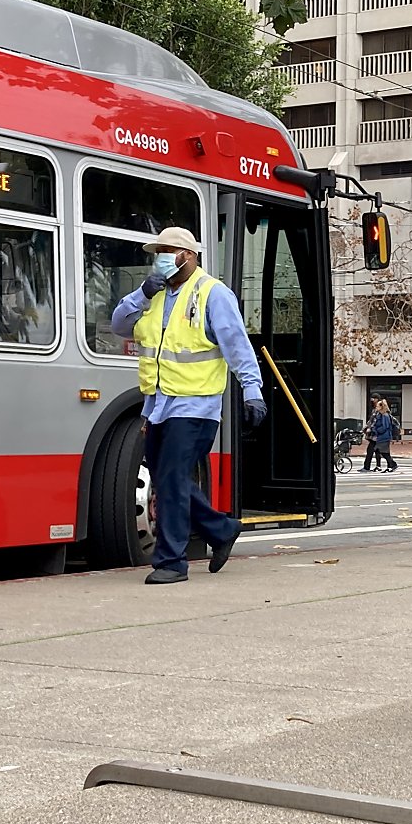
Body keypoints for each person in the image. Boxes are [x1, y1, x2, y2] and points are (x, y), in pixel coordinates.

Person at [111, 225, 265, 584]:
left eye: (167, 251)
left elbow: (237, 345)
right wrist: (141, 293)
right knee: (169, 481)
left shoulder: (213, 294)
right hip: (157, 405)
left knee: (170, 478)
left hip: (197, 405)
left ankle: (172, 562)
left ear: (189, 256)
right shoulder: (154, 295)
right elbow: (118, 325)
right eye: (157, 252)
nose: (160, 258)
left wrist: (252, 390)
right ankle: (221, 528)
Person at [365, 398, 400, 473]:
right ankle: (390, 465)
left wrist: (375, 430)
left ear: (381, 407)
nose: (376, 408)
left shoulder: (385, 416)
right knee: (380, 451)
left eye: (378, 406)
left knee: (384, 452)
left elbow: (385, 427)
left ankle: (393, 465)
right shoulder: (380, 415)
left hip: (384, 436)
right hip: (381, 436)